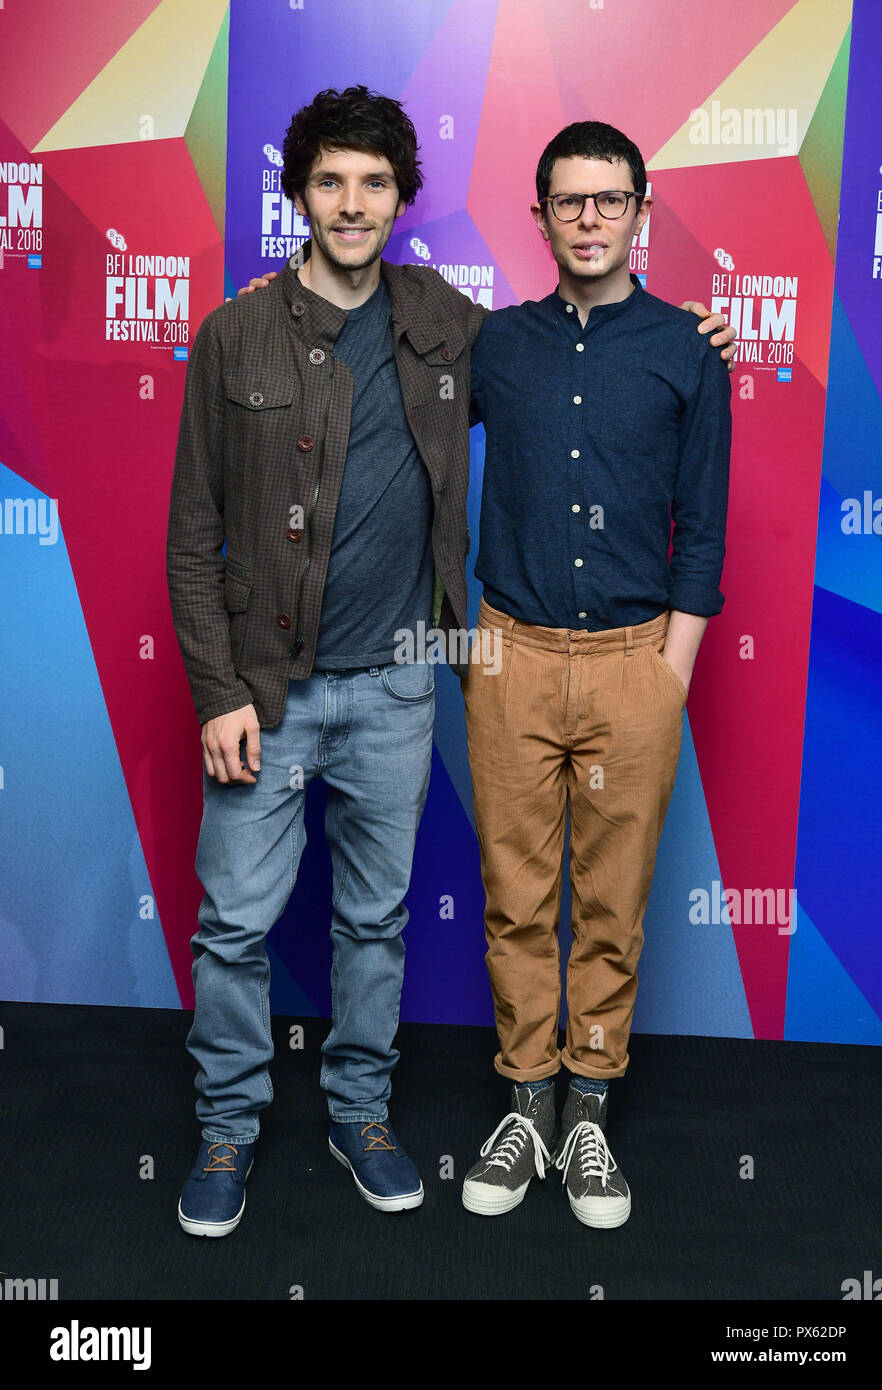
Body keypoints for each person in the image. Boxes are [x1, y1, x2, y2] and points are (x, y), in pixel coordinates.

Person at [178, 89, 735, 1237]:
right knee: (268, 922)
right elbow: (202, 521)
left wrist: (670, 666)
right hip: (351, 680)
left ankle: (436, 1114)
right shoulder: (279, 334)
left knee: (432, 920)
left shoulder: (495, 329)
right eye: (329, 181)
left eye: (372, 182)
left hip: (445, 675)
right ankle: (261, 1126)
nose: (351, 203)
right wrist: (218, 687)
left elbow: (665, 464)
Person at [459, 121, 732, 1228]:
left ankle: (586, 1120)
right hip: (508, 657)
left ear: (639, 211)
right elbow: (385, 399)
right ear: (538, 217)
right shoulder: (492, 345)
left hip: (632, 669)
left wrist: (667, 674)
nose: (587, 219)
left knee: (609, 909)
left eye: (607, 200)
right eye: (566, 201)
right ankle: (523, 1104)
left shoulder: (686, 351)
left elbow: (702, 535)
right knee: (514, 901)